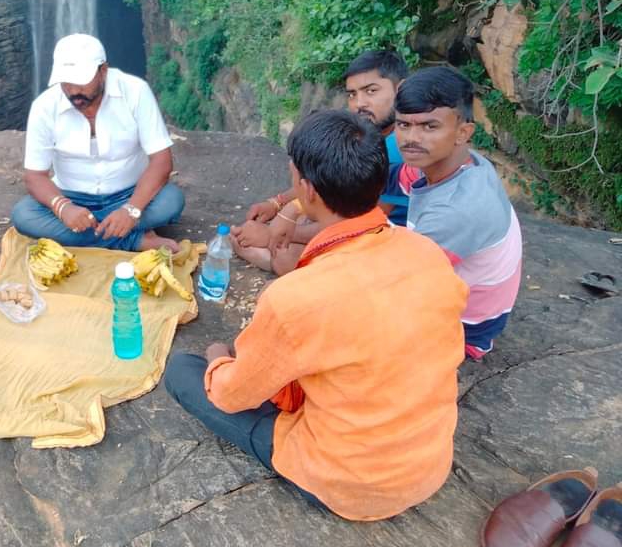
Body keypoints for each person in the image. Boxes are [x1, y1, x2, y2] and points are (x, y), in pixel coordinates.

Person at [164, 110, 468, 521]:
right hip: (426, 466)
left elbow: (233, 395)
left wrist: (218, 359)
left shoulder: (296, 298)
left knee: (184, 370)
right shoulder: (425, 253)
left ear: (306, 191)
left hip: (345, 482)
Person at [232, 49, 410, 274]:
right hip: (356, 221)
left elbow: (358, 224)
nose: (359, 104)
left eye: (371, 91)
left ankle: (272, 259)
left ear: (400, 89)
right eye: (352, 94)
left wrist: (272, 234)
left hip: (380, 239)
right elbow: (326, 174)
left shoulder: (399, 151)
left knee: (286, 252)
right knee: (303, 218)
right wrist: (278, 203)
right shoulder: (373, 135)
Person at [11, 33, 185, 251]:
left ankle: (95, 233)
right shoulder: (44, 106)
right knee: (23, 215)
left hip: (130, 193)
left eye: (81, 82)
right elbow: (34, 176)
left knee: (171, 201)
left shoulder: (135, 91)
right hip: (71, 196)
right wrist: (63, 208)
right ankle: (134, 240)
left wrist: (132, 210)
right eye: (66, 82)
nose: (74, 91)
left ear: (103, 71)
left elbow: (161, 161)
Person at [393, 66, 522, 359]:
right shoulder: (457, 162)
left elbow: (396, 283)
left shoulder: (458, 210)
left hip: (463, 328)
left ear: (463, 132)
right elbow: (383, 181)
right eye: (403, 125)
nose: (411, 138)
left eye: (429, 126)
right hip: (449, 287)